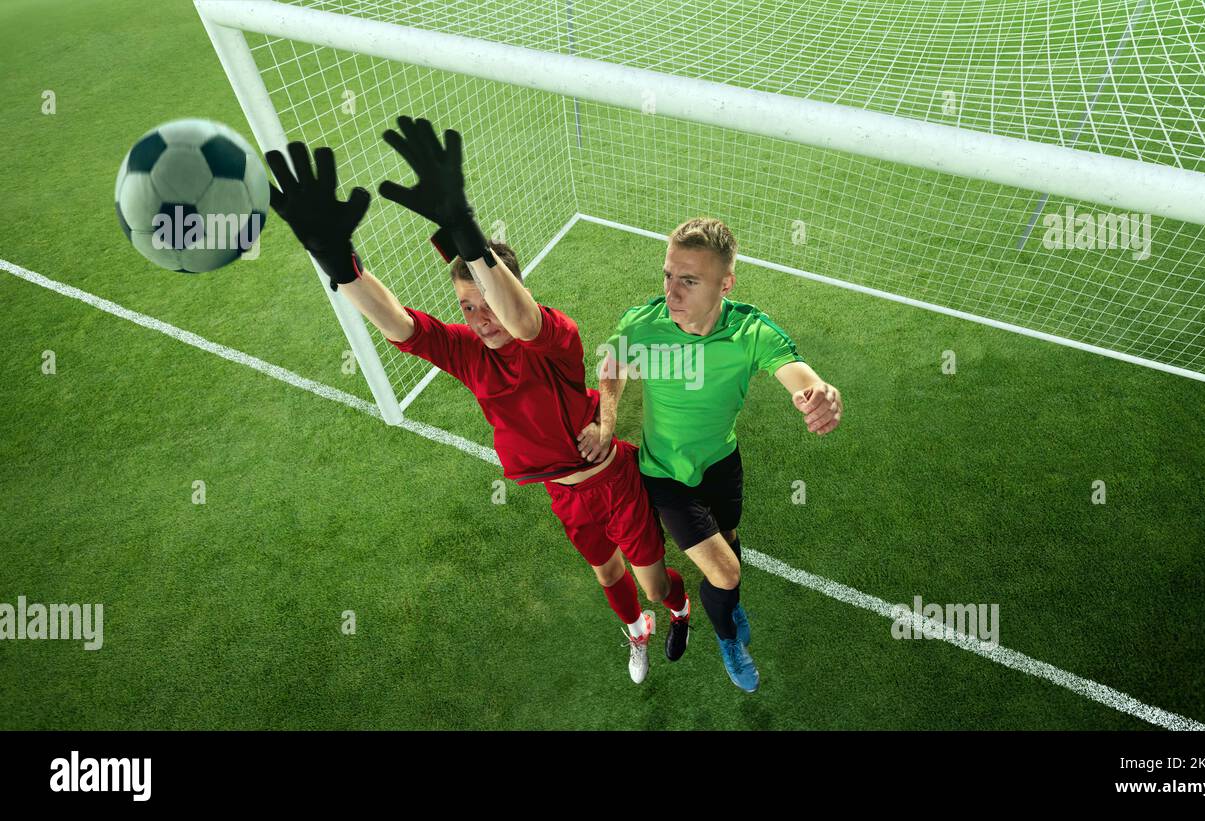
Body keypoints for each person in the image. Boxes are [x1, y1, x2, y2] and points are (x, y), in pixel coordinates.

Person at [263, 119, 692, 683]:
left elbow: (518, 317)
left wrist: (465, 230)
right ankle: (636, 629)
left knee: (653, 583)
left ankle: (677, 607)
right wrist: (338, 264)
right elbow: (397, 322)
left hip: (614, 482)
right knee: (605, 571)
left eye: (485, 301)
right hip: (563, 495)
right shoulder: (467, 351)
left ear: (512, 288)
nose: (480, 319)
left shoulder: (553, 339)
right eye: (466, 306)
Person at [594, 217, 843, 692]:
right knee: (726, 573)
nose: (672, 291)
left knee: (729, 542)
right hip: (666, 475)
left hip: (722, 463)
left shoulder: (751, 331)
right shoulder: (643, 325)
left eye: (689, 280)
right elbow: (613, 365)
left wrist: (819, 394)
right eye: (668, 275)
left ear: (725, 283)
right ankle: (730, 638)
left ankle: (727, 604)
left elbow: (798, 375)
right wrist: (607, 421)